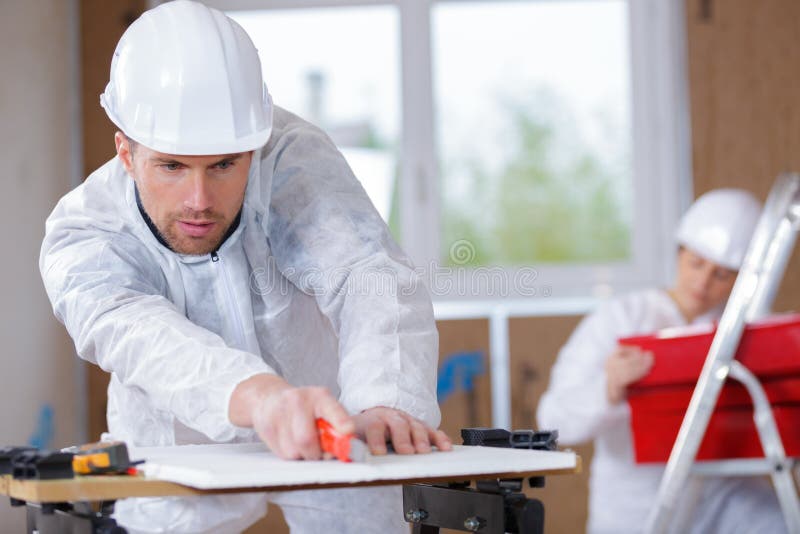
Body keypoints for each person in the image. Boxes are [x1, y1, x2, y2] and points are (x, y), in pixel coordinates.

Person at [39, 2, 451, 533]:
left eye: (224, 166)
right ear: (126, 153)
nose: (199, 200)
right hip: (175, 434)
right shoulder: (83, 234)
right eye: (171, 166)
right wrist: (261, 396)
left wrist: (385, 399)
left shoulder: (291, 159)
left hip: (332, 417)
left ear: (253, 150)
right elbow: (146, 338)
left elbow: (366, 276)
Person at [537, 189, 787, 534]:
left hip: (724, 497)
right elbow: (553, 419)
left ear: (742, 277)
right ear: (679, 251)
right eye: (696, 263)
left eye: (722, 274)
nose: (702, 283)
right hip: (636, 508)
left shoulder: (748, 329)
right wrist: (607, 390)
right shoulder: (620, 318)